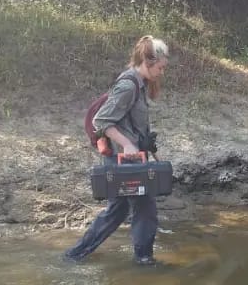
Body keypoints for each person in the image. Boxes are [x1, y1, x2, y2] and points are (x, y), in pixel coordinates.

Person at [65, 35, 170, 266]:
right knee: (145, 208)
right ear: (148, 61)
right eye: (161, 68)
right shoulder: (128, 85)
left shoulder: (140, 84)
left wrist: (153, 153)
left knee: (118, 210)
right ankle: (144, 260)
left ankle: (75, 255)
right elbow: (101, 121)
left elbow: (136, 125)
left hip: (126, 159)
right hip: (122, 160)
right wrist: (127, 144)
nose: (162, 72)